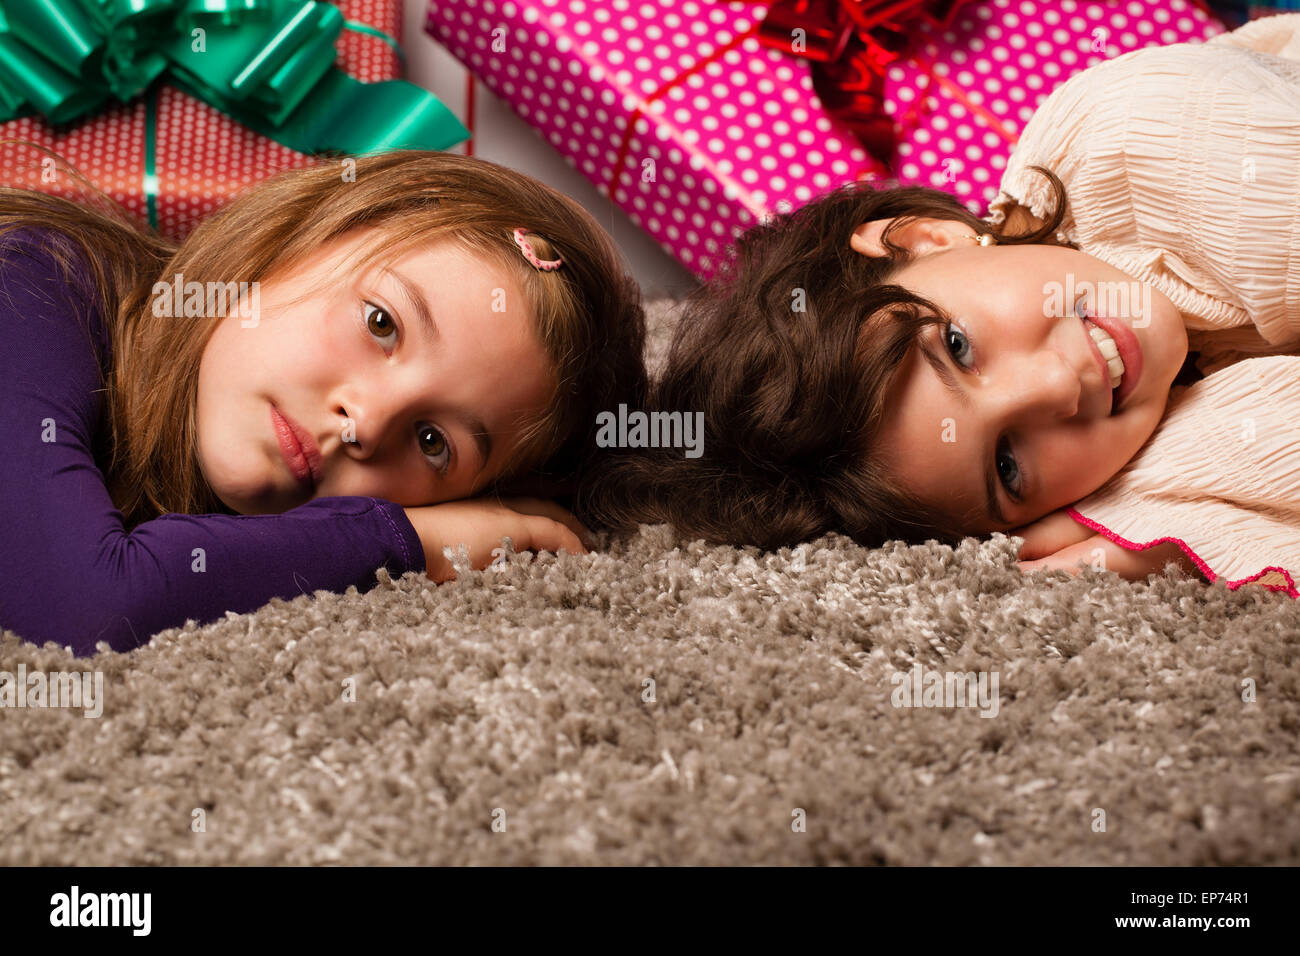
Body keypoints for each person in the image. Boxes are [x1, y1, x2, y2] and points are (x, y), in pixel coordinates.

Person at [578, 14, 1300, 596]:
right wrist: (1157, 526)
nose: (1058, 387)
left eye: (956, 346)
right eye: (1010, 466)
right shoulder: (1152, 396)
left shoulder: (1136, 142)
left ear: (927, 239)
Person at [0, 148, 648, 655]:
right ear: (301, 236)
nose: (366, 421)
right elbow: (87, 605)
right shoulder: (30, 285)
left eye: (433, 442)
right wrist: (411, 540)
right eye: (382, 323)